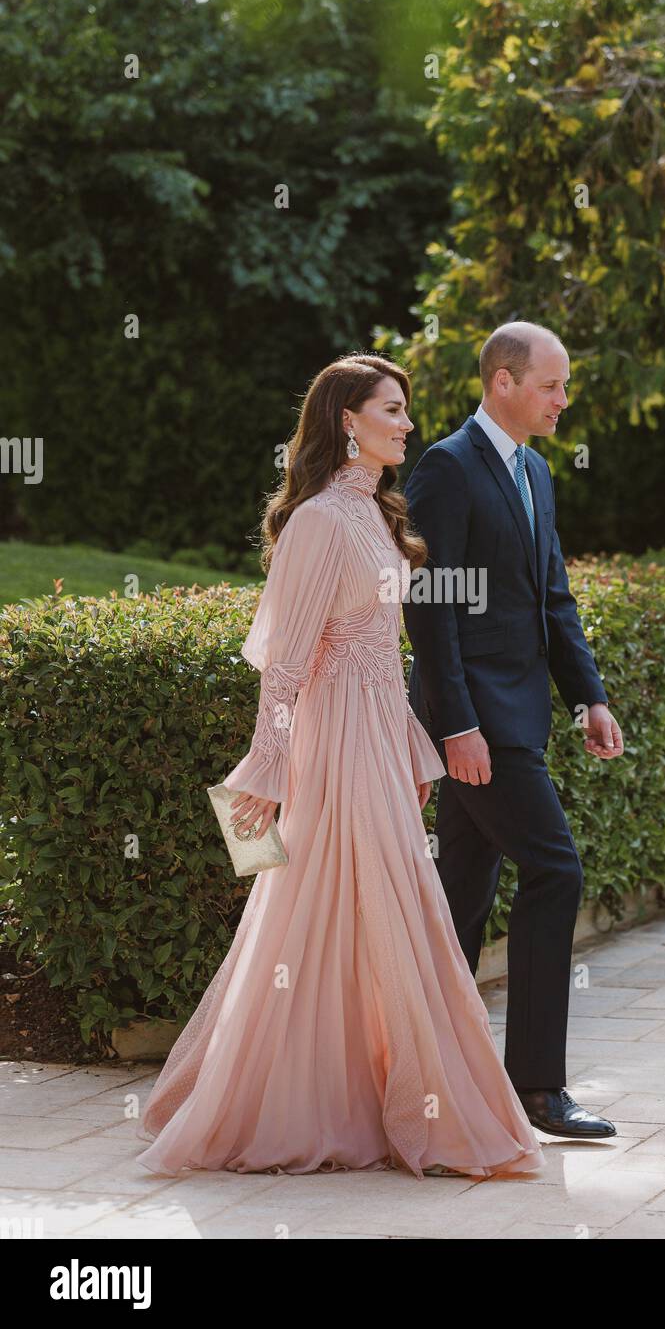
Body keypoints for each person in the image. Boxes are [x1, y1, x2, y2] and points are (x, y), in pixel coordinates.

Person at [134, 353, 545, 1181]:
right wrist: (266, 765)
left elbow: (373, 654)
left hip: (374, 741)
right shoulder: (320, 521)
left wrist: (408, 742)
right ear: (345, 421)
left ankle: (365, 1094)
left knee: (364, 910)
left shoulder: (374, 516)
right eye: (390, 410)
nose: (405, 423)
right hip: (330, 747)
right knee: (344, 905)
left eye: (405, 409)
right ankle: (290, 1104)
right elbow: (286, 663)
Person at [403, 321, 624, 1140]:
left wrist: (588, 697)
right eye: (552, 385)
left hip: (522, 713)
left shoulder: (534, 469)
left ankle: (428, 1076)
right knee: (555, 869)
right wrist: (454, 724)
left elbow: (551, 598)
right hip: (477, 724)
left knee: (461, 898)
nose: (563, 400)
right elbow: (427, 606)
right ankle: (534, 1088)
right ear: (503, 381)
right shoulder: (446, 467)